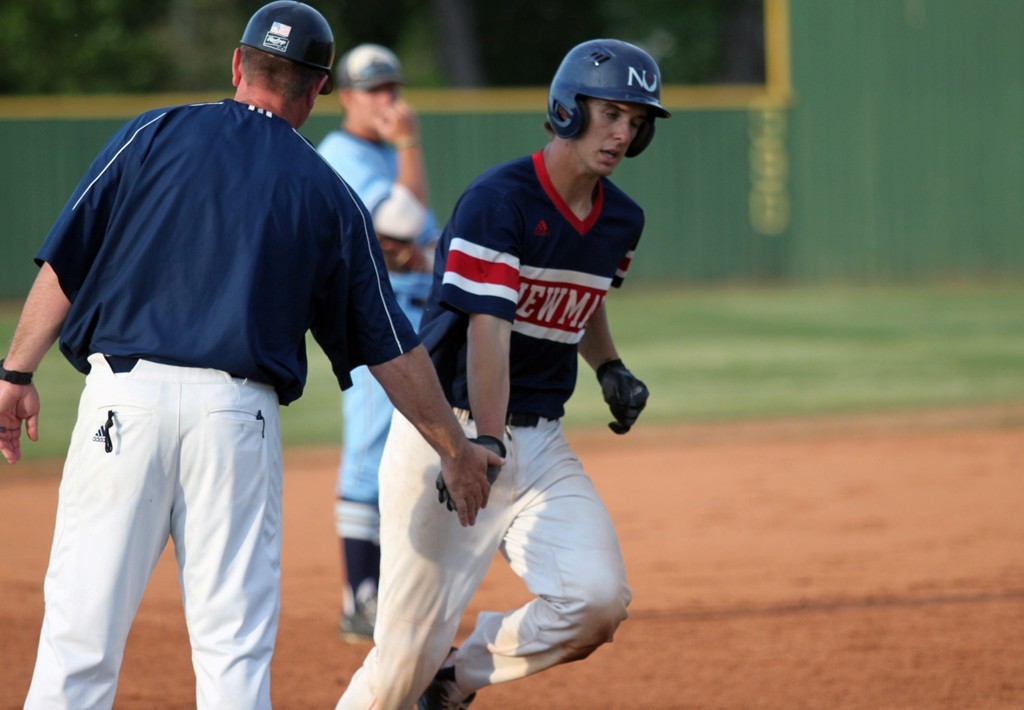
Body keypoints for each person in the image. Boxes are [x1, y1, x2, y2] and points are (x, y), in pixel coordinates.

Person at [0, 3, 499, 708]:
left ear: (238, 65)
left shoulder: (152, 132)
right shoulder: (329, 192)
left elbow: (65, 263)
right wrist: (454, 447)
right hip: (235, 419)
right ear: (319, 88)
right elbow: (392, 347)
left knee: (78, 640)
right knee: (233, 652)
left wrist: (14, 372)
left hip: (122, 405)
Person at [335, 38, 671, 709]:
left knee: (596, 600)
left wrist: (608, 366)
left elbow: (585, 292)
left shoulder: (621, 220)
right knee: (400, 666)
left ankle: (456, 680)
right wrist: (481, 444)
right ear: (568, 108)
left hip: (540, 443)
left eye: (634, 122)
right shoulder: (500, 200)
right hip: (449, 435)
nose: (621, 132)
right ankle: (424, 675)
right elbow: (488, 330)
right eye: (609, 113)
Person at [316, 43, 437, 642]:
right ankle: (358, 598)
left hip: (412, 317)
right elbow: (401, 227)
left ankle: (389, 592)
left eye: (391, 86)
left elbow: (420, 243)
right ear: (345, 96)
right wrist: (410, 146)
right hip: (372, 324)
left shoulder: (379, 154)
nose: (387, 99)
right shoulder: (342, 154)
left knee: (412, 458)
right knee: (368, 454)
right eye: (372, 89)